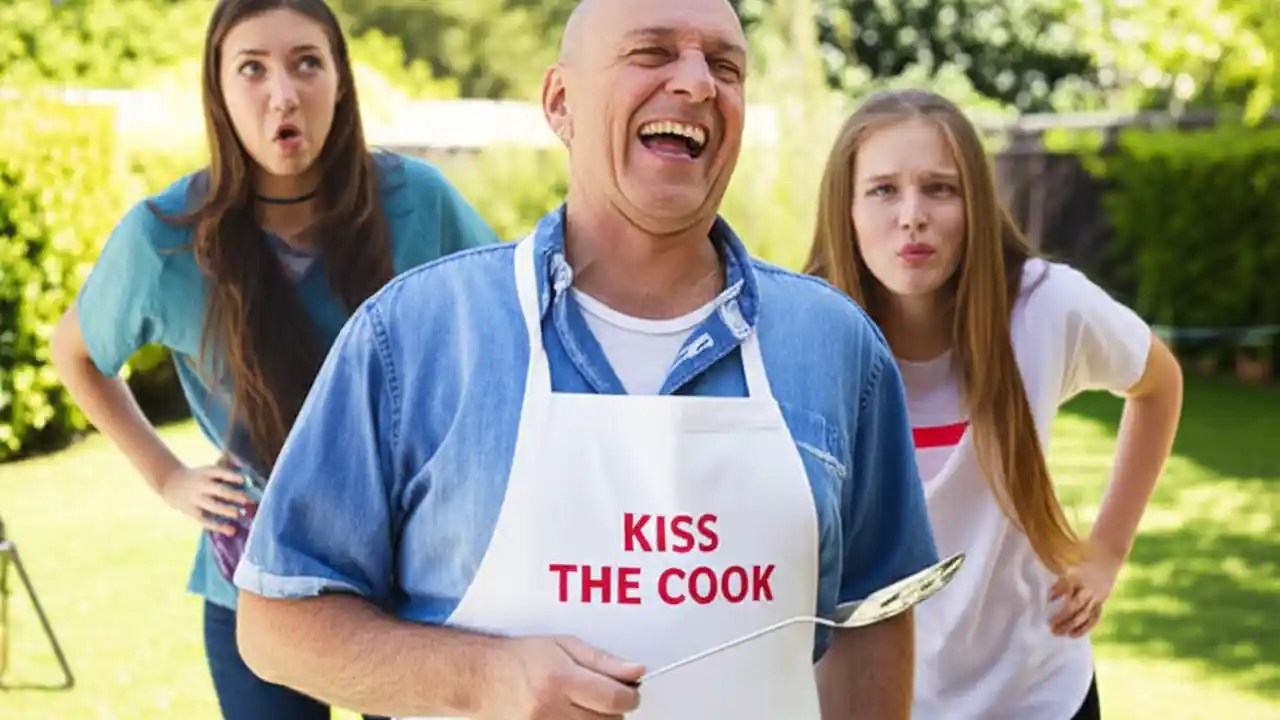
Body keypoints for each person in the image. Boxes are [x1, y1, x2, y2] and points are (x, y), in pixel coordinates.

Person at [231, 0, 940, 718]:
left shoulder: (835, 346)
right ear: (561, 102)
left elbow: (872, 614)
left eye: (725, 65)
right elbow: (275, 624)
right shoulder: (416, 337)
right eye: (652, 53)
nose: (698, 84)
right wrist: (482, 678)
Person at [49, 0, 497, 718]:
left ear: (342, 82)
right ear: (219, 91)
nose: (282, 94)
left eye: (306, 64)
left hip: (419, 577)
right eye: (251, 69)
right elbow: (75, 353)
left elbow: (506, 325)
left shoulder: (417, 202)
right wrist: (166, 476)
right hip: (259, 590)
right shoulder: (162, 241)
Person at [804, 89, 1185, 720]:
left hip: (1035, 692)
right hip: (875, 696)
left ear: (975, 202)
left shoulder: (1046, 307)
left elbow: (1159, 384)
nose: (912, 215)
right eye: (882, 190)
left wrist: (1106, 553)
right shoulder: (805, 331)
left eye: (939, 189)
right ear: (844, 209)